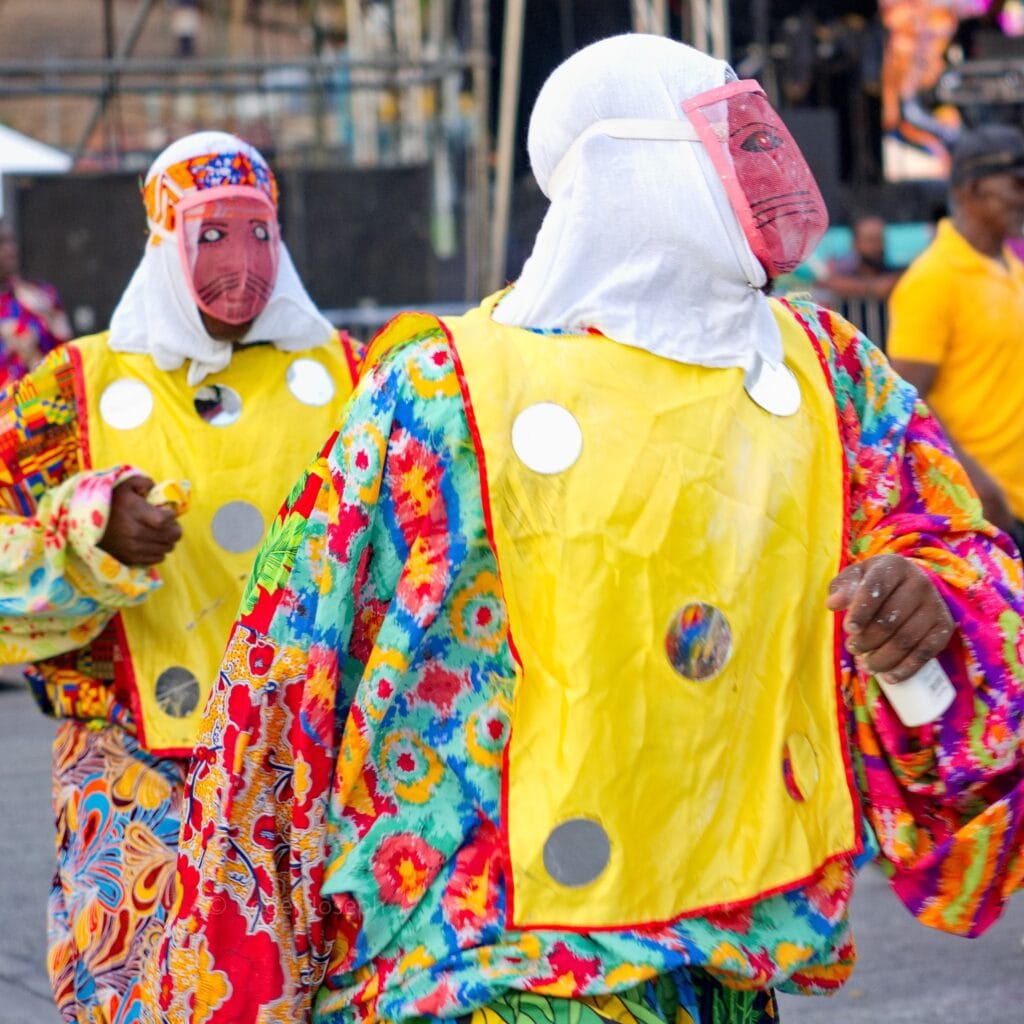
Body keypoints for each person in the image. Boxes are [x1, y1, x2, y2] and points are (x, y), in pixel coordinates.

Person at [151, 37, 1024, 1024]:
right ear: (637, 168)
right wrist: (243, 965)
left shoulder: (826, 373)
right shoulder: (442, 395)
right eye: (734, 143)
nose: (771, 174)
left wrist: (929, 599)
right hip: (481, 954)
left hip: (723, 939)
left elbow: (952, 545)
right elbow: (282, 681)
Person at [0, 131, 364, 1024]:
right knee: (146, 992)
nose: (241, 263)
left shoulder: (360, 377)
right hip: (136, 778)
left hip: (316, 775)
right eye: (211, 236)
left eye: (258, 233)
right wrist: (92, 530)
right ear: (164, 238)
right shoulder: (72, 388)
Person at [887, 123, 1024, 542]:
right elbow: (904, 405)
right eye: (1017, 184)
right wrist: (978, 488)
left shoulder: (1010, 268)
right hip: (989, 518)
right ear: (974, 189)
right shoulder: (933, 278)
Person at [0, 218, 72, 386]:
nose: (10, 249)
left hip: (48, 403)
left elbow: (67, 353)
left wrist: (32, 353)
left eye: (10, 241)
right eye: (1, 243)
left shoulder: (41, 294)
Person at [819, 214, 903, 302]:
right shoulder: (845, 272)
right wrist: (872, 287)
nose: (876, 245)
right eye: (870, 240)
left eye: (880, 239)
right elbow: (829, 283)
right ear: (856, 243)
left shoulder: (892, 271)